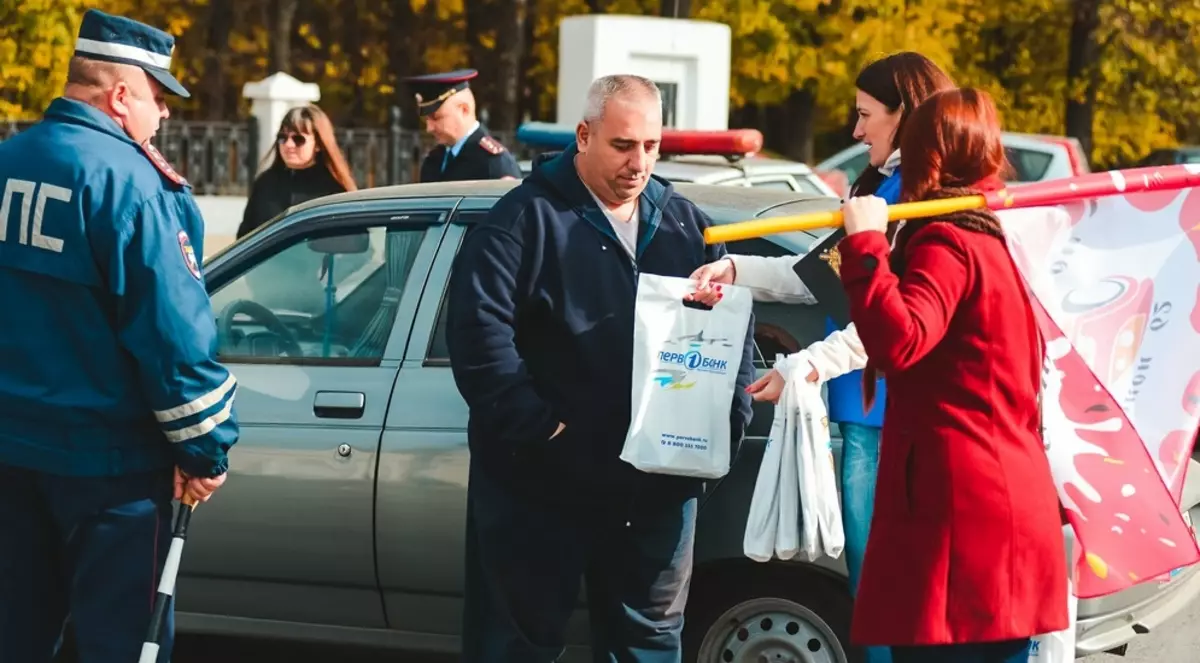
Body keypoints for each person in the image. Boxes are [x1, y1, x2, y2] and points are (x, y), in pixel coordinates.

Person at [445, 74, 755, 662]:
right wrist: (542, 430)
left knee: (649, 645)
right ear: (583, 136)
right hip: (538, 490)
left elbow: (733, 338)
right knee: (517, 644)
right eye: (622, 145)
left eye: (651, 146)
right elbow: (478, 339)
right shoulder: (522, 220)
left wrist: (722, 432)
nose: (639, 163)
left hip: (657, 495)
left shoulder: (687, 224)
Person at [688, 51, 954, 663]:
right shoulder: (881, 187)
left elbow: (893, 319)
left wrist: (803, 365)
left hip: (897, 421)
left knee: (892, 597)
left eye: (865, 116)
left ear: (906, 114)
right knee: (873, 591)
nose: (855, 131)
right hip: (863, 418)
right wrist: (735, 269)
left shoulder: (925, 202)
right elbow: (823, 280)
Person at [0, 9, 238, 663]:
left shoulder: (6, 161)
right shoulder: (132, 186)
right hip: (112, 473)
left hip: (13, 453)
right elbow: (173, 338)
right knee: (122, 644)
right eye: (158, 97)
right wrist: (207, 449)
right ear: (121, 94)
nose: (162, 115)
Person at [836, 87, 1068, 662]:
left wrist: (865, 244)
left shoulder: (950, 239)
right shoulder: (1003, 235)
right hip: (1002, 497)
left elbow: (900, 339)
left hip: (962, 514)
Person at [236, 103, 357, 239]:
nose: (288, 145)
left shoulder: (335, 190)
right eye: (283, 138)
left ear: (318, 144)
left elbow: (356, 243)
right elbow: (244, 239)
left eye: (298, 139)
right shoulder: (265, 183)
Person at [404, 69, 523, 182]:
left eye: (436, 118)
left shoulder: (494, 163)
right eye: (426, 120)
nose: (429, 128)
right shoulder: (434, 161)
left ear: (464, 110)